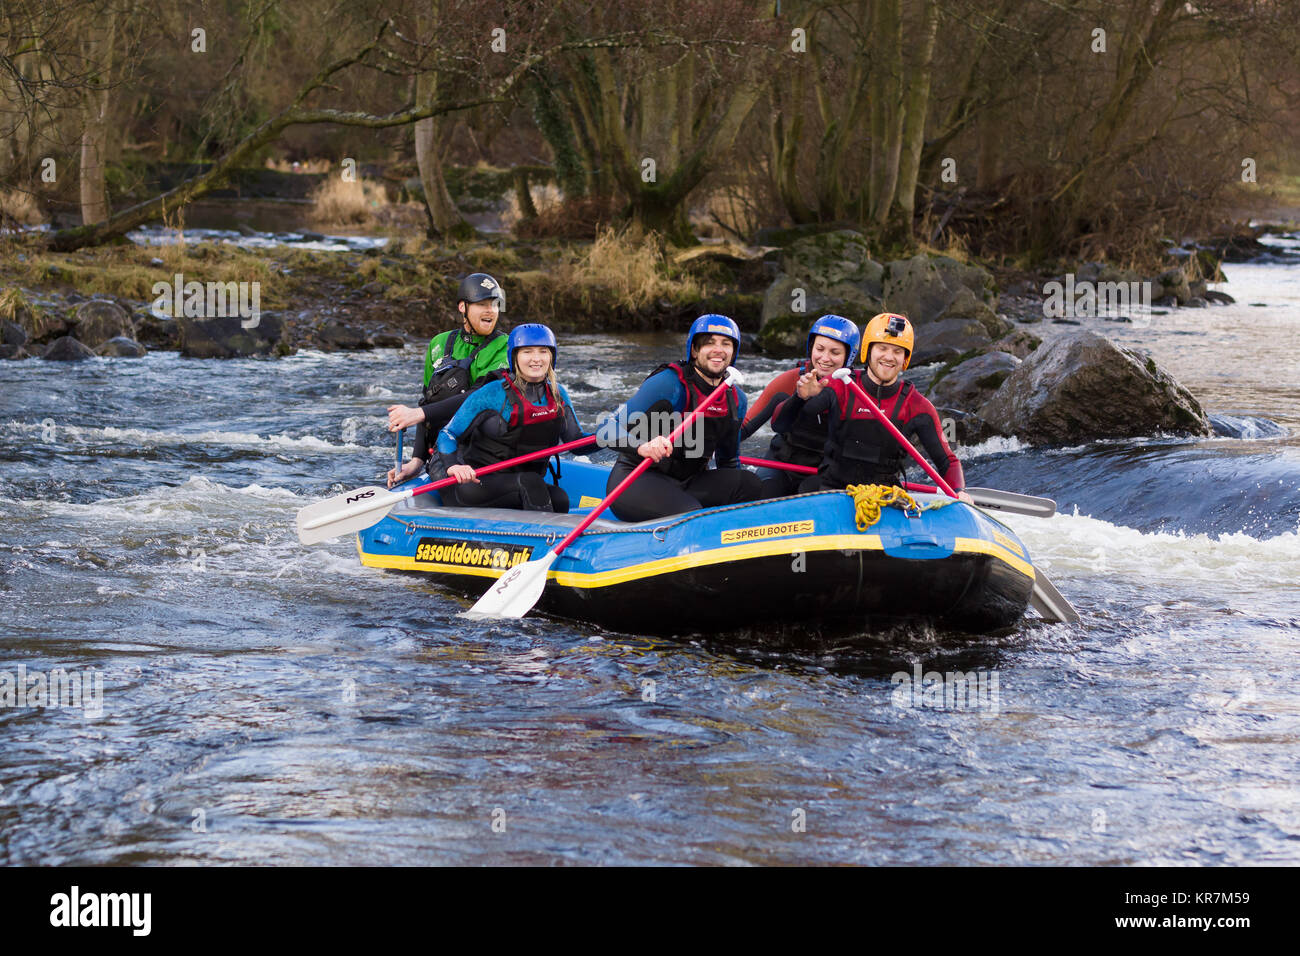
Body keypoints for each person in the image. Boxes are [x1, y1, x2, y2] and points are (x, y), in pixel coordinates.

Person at [774, 312, 972, 500]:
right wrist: (800, 397)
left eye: (897, 351)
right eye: (882, 348)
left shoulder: (917, 406)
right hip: (833, 493)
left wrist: (959, 491)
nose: (889, 357)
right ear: (868, 351)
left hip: (885, 500)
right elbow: (781, 424)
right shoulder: (840, 386)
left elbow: (947, 461)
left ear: (905, 359)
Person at [601, 314, 763, 521]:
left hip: (689, 483)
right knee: (691, 514)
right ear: (694, 350)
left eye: (726, 343)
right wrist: (643, 446)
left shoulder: (736, 399)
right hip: (637, 480)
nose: (718, 349)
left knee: (751, 485)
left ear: (733, 352)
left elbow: (729, 461)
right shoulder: (669, 384)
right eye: (709, 343)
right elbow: (605, 429)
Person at [431, 323, 586, 512]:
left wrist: (607, 436)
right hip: (475, 482)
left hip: (517, 483)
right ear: (514, 356)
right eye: (527, 352)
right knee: (531, 482)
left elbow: (577, 443)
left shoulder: (557, 394)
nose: (536, 359)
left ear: (552, 356)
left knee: (560, 499)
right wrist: (454, 466)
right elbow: (448, 432)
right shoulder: (492, 394)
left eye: (543, 351)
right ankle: (543, 537)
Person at [386, 272, 509, 486]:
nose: (490, 310)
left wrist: (417, 414)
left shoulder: (507, 346)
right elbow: (427, 400)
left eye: (494, 304)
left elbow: (478, 398)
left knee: (469, 489)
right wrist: (416, 460)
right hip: (446, 448)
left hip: (487, 449)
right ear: (463, 307)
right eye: (482, 304)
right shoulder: (439, 343)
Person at [740, 314, 860, 497]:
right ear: (811, 348)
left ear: (848, 357)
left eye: (835, 352)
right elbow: (744, 428)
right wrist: (703, 447)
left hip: (825, 473)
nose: (825, 358)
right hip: (782, 464)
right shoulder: (789, 381)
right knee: (764, 492)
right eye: (820, 349)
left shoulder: (858, 391)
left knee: (809, 493)